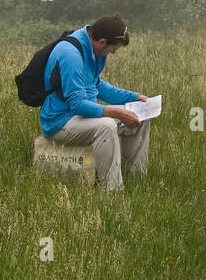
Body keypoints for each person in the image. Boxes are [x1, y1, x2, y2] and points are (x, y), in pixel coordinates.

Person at [39, 15, 149, 190]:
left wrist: (135, 97)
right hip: (61, 122)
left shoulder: (93, 50)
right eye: (113, 49)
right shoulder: (71, 54)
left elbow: (98, 87)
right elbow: (77, 104)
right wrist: (117, 113)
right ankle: (111, 191)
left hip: (83, 117)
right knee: (106, 126)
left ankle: (135, 176)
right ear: (103, 42)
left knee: (140, 114)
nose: (112, 53)